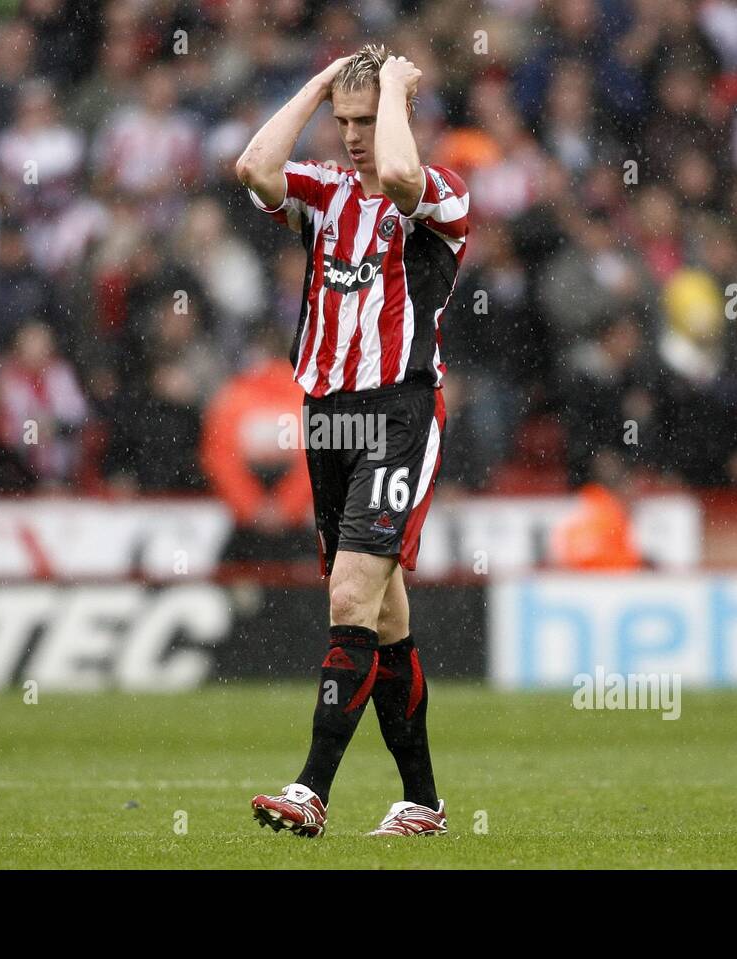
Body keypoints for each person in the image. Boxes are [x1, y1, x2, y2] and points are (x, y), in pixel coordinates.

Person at [236, 44, 470, 837]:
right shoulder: (325, 193)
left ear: (400, 116)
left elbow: (401, 178)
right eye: (344, 123)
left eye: (365, 121)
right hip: (329, 418)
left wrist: (396, 88)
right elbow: (253, 166)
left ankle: (310, 790)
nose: (353, 137)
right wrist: (316, 85)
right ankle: (424, 804)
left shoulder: (439, 197)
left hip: (398, 414)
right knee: (386, 618)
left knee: (347, 597)